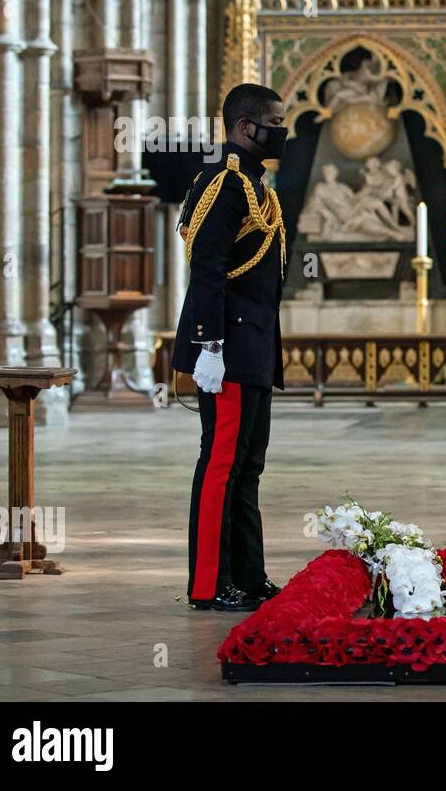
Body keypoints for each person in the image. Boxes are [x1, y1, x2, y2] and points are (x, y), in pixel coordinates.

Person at [173, 83, 289, 608]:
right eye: (275, 123)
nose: (282, 133)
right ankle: (211, 585)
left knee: (249, 467)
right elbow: (208, 269)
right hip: (229, 348)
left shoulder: (259, 189)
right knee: (221, 463)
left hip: (254, 346)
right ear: (246, 127)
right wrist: (209, 346)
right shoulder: (222, 185)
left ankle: (248, 573)